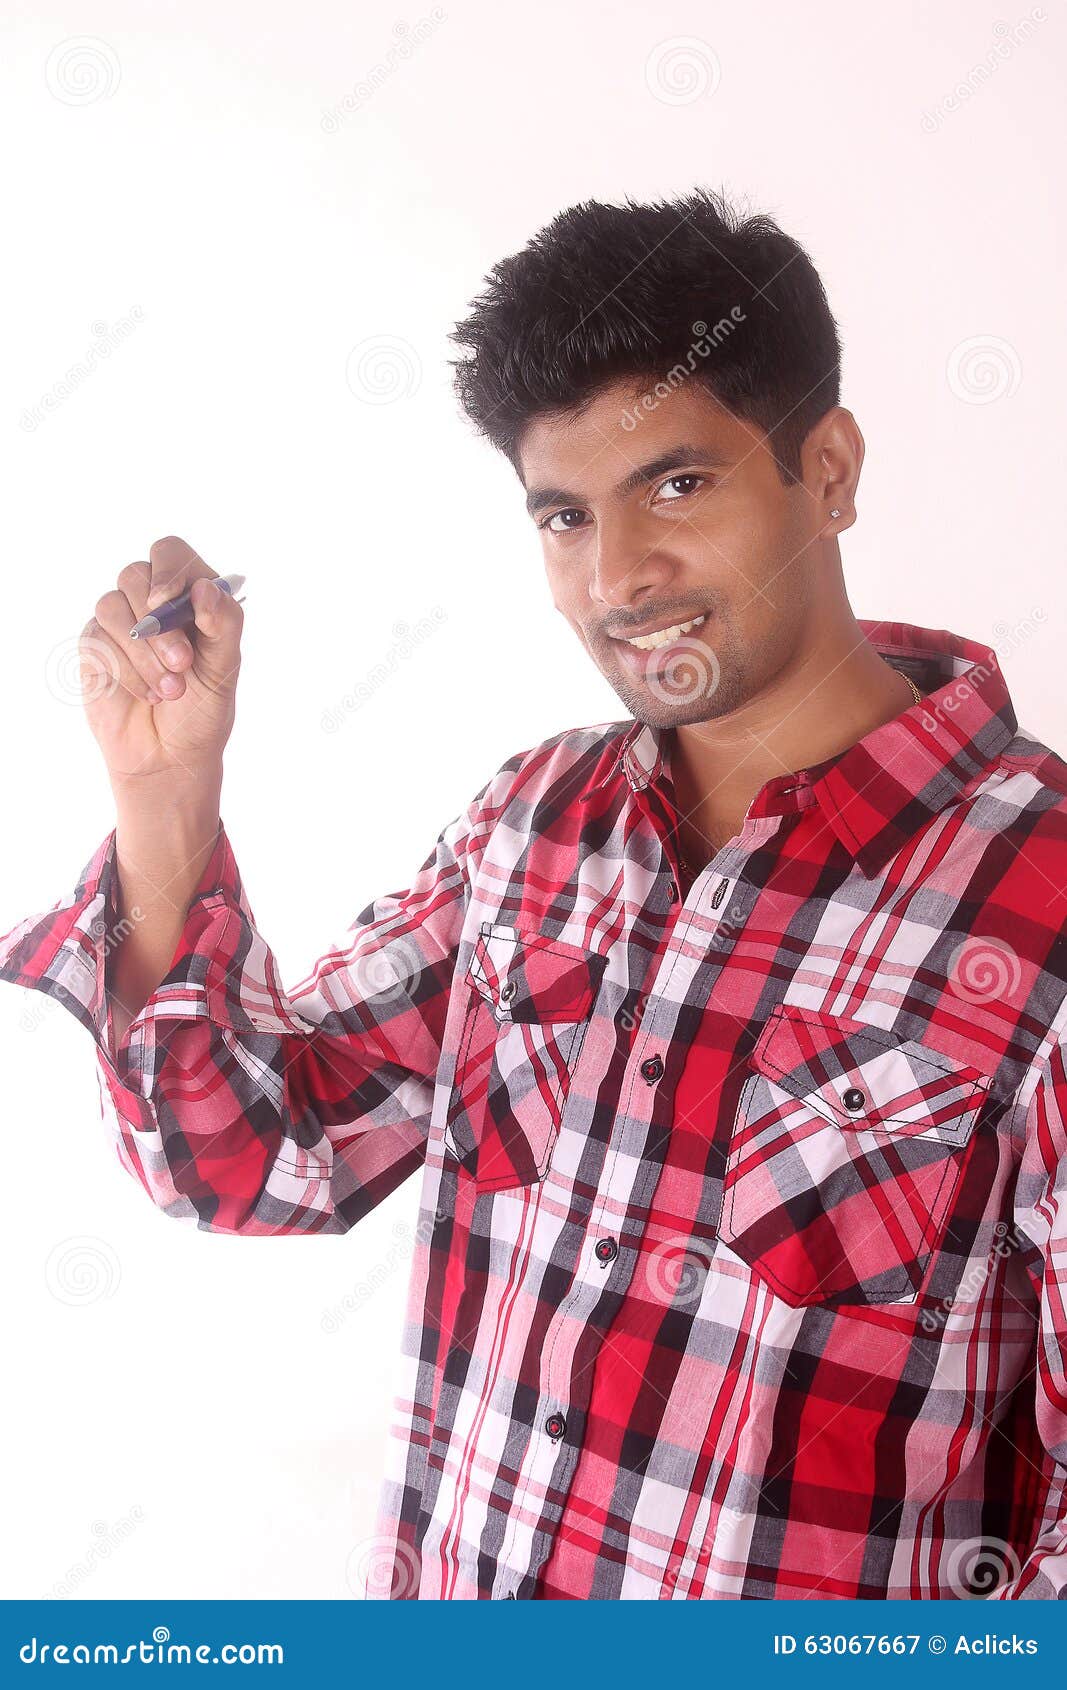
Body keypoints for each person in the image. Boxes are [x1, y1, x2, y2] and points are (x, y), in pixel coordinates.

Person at [3, 188, 1066, 1602]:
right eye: (566, 514)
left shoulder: (1041, 899)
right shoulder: (532, 821)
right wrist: (165, 793)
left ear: (827, 470)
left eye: (677, 486)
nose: (618, 576)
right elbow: (256, 1155)